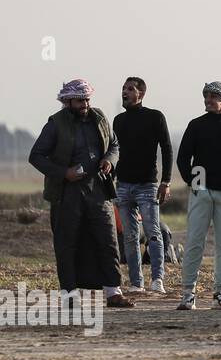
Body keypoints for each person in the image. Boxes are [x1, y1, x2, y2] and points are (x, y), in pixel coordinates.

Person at [29, 78, 132, 307]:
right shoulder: (55, 124)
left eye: (86, 99)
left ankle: (113, 293)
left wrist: (109, 160)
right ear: (68, 102)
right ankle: (70, 296)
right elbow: (36, 156)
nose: (85, 104)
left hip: (99, 190)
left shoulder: (100, 118)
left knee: (108, 240)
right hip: (67, 193)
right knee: (67, 244)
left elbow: (114, 145)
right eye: (79, 101)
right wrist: (64, 173)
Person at [174, 82, 221, 310]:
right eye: (207, 96)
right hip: (201, 190)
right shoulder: (196, 125)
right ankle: (188, 294)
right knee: (194, 242)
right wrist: (193, 182)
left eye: (214, 96)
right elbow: (183, 158)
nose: (209, 100)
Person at [112, 76, 173, 295]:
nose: (125, 92)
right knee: (130, 236)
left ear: (141, 94)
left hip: (147, 184)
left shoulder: (155, 117)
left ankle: (157, 280)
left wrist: (166, 181)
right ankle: (137, 282)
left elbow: (166, 149)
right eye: (123, 88)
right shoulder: (118, 121)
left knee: (153, 233)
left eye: (130, 89)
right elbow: (115, 152)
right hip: (123, 185)